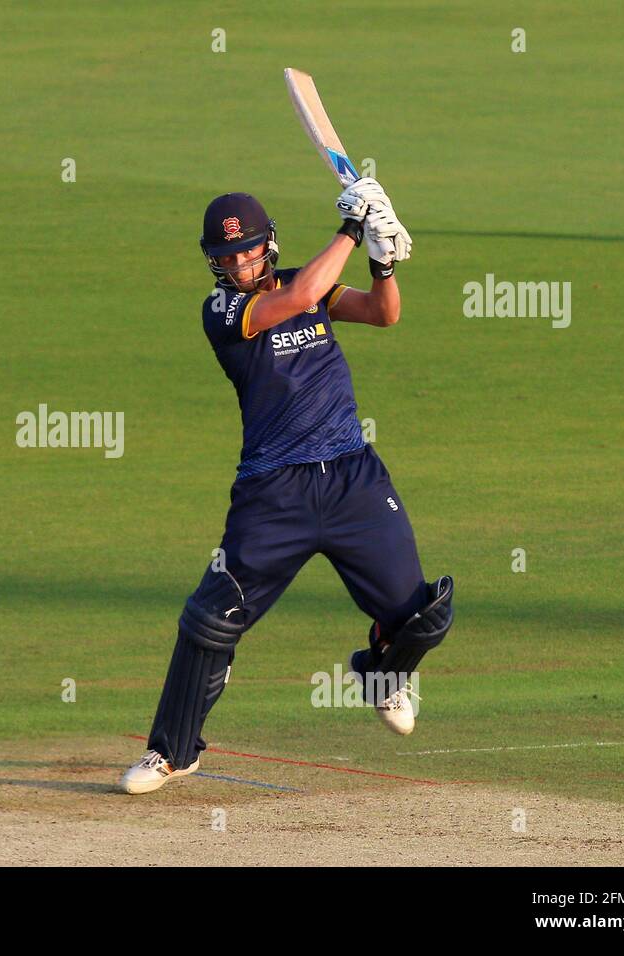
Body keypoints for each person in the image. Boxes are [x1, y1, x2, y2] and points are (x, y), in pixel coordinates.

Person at [120, 184, 453, 794]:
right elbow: (300, 296)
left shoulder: (312, 279)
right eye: (226, 258)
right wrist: (353, 228)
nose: (237, 266)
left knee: (424, 615)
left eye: (246, 253)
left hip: (353, 475)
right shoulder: (221, 313)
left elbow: (385, 313)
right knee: (209, 622)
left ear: (267, 245)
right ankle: (171, 752)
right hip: (274, 493)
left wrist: (383, 259)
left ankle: (384, 674)